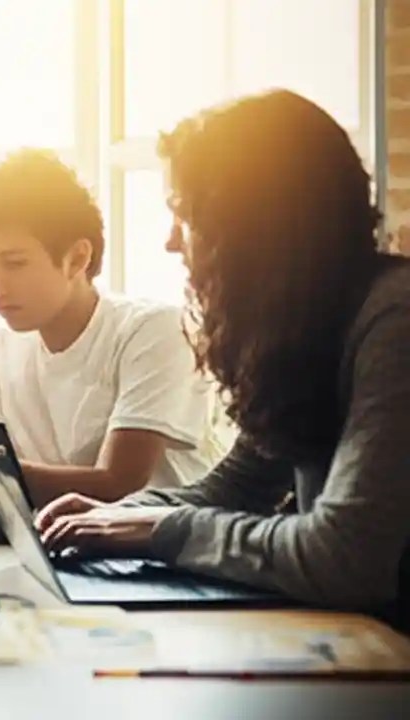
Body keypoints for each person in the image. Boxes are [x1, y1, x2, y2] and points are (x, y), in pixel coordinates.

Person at [36, 90, 410, 627]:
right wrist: (113, 517)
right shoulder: (311, 320)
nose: (170, 242)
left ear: (253, 224)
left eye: (183, 216)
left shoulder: (394, 321)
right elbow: (236, 489)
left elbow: (345, 556)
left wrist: (156, 531)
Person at [0, 149, 218, 507]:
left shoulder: (153, 330)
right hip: (59, 546)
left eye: (14, 264)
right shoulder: (7, 344)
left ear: (78, 258)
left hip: (150, 552)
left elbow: (118, 483)